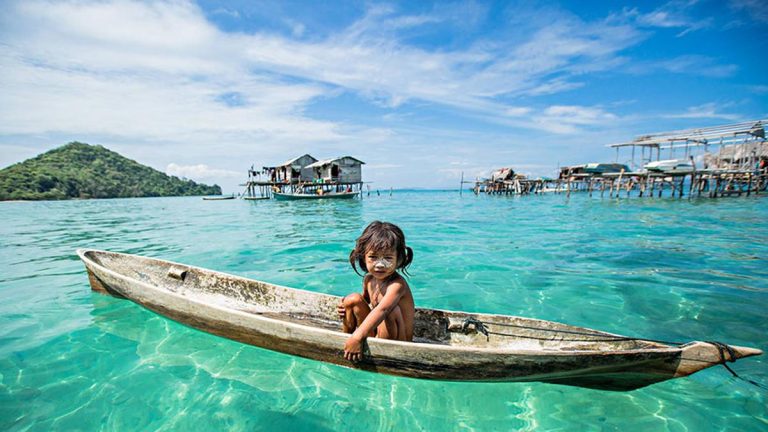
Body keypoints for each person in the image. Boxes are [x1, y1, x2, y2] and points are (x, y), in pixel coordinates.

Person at [337, 221, 415, 362]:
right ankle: (345, 341)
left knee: (391, 309)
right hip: (376, 333)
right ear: (363, 257)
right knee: (352, 299)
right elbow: (364, 303)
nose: (380, 264)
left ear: (399, 259)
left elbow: (382, 310)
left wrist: (358, 336)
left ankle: (358, 341)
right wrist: (345, 307)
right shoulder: (368, 279)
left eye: (388, 258)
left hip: (398, 341)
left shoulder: (397, 285)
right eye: (373, 257)